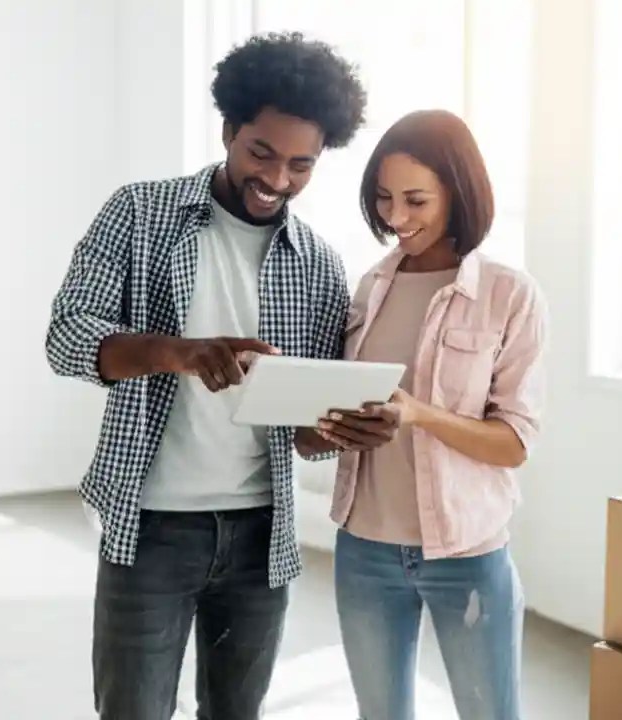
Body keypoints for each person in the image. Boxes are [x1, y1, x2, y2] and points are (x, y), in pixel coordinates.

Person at [44, 32, 392, 720]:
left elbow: (304, 438)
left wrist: (346, 428)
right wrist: (178, 352)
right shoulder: (138, 214)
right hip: (151, 529)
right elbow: (67, 338)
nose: (277, 179)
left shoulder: (319, 265)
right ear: (229, 128)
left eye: (301, 165)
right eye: (261, 152)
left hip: (260, 535)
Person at [316, 109, 548, 720]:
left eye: (416, 200)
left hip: (466, 553)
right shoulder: (370, 286)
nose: (396, 218)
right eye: (384, 198)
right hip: (364, 548)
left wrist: (420, 415)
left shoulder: (508, 293)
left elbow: (515, 441)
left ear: (458, 191)